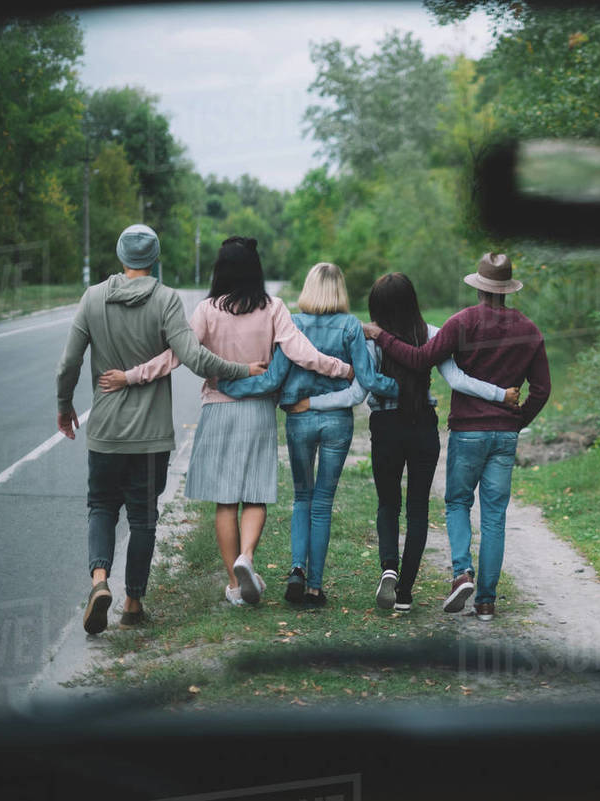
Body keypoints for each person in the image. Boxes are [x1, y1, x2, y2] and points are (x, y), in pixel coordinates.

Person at [99, 237, 354, 608]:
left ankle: (235, 585)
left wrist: (132, 375)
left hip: (218, 410)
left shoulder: (207, 310)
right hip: (258, 413)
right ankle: (247, 557)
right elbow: (302, 353)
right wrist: (343, 369)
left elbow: (174, 357)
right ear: (256, 270)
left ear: (221, 270)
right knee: (255, 494)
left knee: (225, 501)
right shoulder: (273, 308)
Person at [56, 223, 265, 635]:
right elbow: (196, 358)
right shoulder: (166, 300)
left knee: (101, 507)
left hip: (106, 433)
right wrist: (243, 369)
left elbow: (69, 364)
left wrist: (65, 407)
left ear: (120, 257)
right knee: (143, 518)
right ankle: (132, 601)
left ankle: (100, 582)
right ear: (154, 260)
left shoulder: (93, 298)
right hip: (150, 438)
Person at [292, 272, 520, 613]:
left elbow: (358, 392)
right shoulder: (431, 333)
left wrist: (312, 403)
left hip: (386, 425)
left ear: (376, 306)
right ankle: (406, 592)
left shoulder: (368, 338)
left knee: (388, 504)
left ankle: (389, 567)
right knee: (417, 509)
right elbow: (457, 379)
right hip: (423, 427)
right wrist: (501, 394)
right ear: (413, 301)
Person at [363, 253, 550, 622]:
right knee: (494, 516)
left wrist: (381, 336)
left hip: (467, 431)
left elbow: (419, 360)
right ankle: (485, 602)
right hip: (503, 434)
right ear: (508, 289)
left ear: (479, 286)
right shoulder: (530, 330)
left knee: (457, 503)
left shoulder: (462, 322)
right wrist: (516, 419)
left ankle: (462, 572)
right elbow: (542, 389)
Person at [214, 262, 399, 608]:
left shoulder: (293, 323)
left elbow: (271, 380)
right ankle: (314, 587)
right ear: (340, 290)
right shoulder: (348, 326)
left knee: (302, 497)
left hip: (300, 420)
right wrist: (404, 388)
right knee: (323, 503)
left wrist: (228, 384)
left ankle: (297, 569)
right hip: (337, 423)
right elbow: (371, 380)